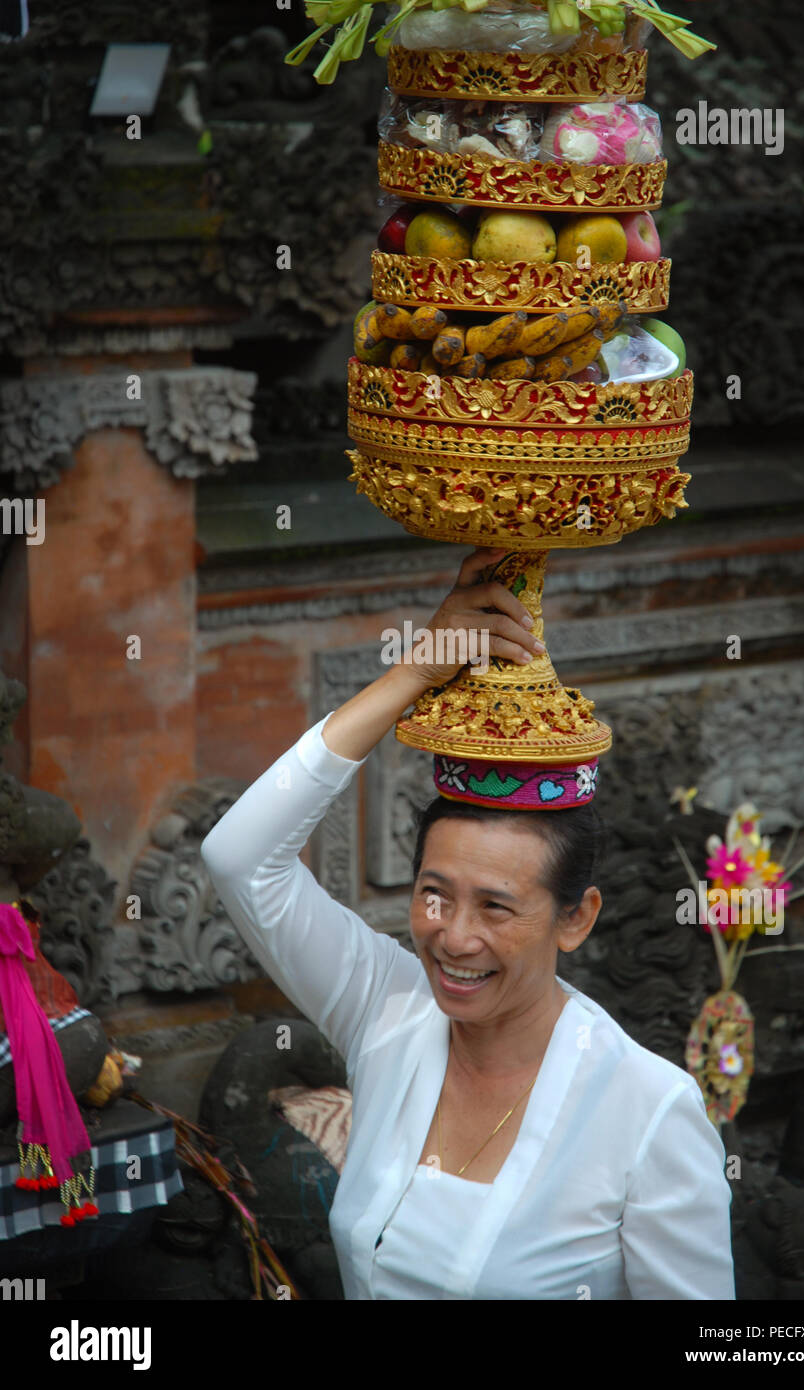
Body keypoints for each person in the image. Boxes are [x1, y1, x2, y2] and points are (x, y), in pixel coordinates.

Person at [200, 545, 735, 1300]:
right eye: (434, 893)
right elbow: (240, 858)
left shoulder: (646, 1110)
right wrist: (416, 670)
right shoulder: (388, 1012)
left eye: (495, 906)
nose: (452, 937)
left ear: (575, 918)